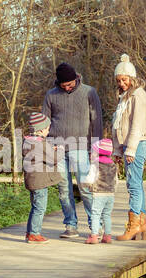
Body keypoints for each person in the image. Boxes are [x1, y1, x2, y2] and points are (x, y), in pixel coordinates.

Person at [41, 62, 104, 239]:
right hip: (57, 148)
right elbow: (44, 122)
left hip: (81, 147)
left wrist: (96, 147)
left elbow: (96, 121)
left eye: (70, 84)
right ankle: (70, 225)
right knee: (64, 190)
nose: (68, 88)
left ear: (76, 78)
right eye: (64, 85)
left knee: (85, 187)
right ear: (58, 83)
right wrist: (46, 146)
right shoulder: (51, 95)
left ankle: (96, 225)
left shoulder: (89, 92)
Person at [112, 54, 146, 241]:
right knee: (136, 184)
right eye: (119, 80)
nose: (121, 83)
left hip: (138, 144)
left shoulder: (138, 96)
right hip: (129, 145)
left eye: (124, 79)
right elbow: (119, 126)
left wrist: (130, 150)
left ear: (132, 78)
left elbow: (137, 124)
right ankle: (141, 224)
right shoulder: (125, 98)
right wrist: (118, 150)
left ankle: (134, 224)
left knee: (133, 185)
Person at [22, 112, 62, 244]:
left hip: (31, 181)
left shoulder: (28, 141)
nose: (48, 131)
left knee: (35, 207)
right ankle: (34, 234)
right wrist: (59, 150)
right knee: (40, 208)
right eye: (47, 129)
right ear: (40, 130)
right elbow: (54, 159)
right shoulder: (41, 144)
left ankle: (30, 232)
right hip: (40, 182)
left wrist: (51, 149)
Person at [82, 138, 118, 244]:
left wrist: (87, 184)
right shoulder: (113, 165)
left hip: (99, 194)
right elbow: (116, 180)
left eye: (93, 152)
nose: (92, 154)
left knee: (96, 214)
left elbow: (91, 178)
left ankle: (94, 235)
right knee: (107, 215)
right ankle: (107, 236)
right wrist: (113, 190)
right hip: (110, 194)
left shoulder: (96, 164)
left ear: (98, 152)